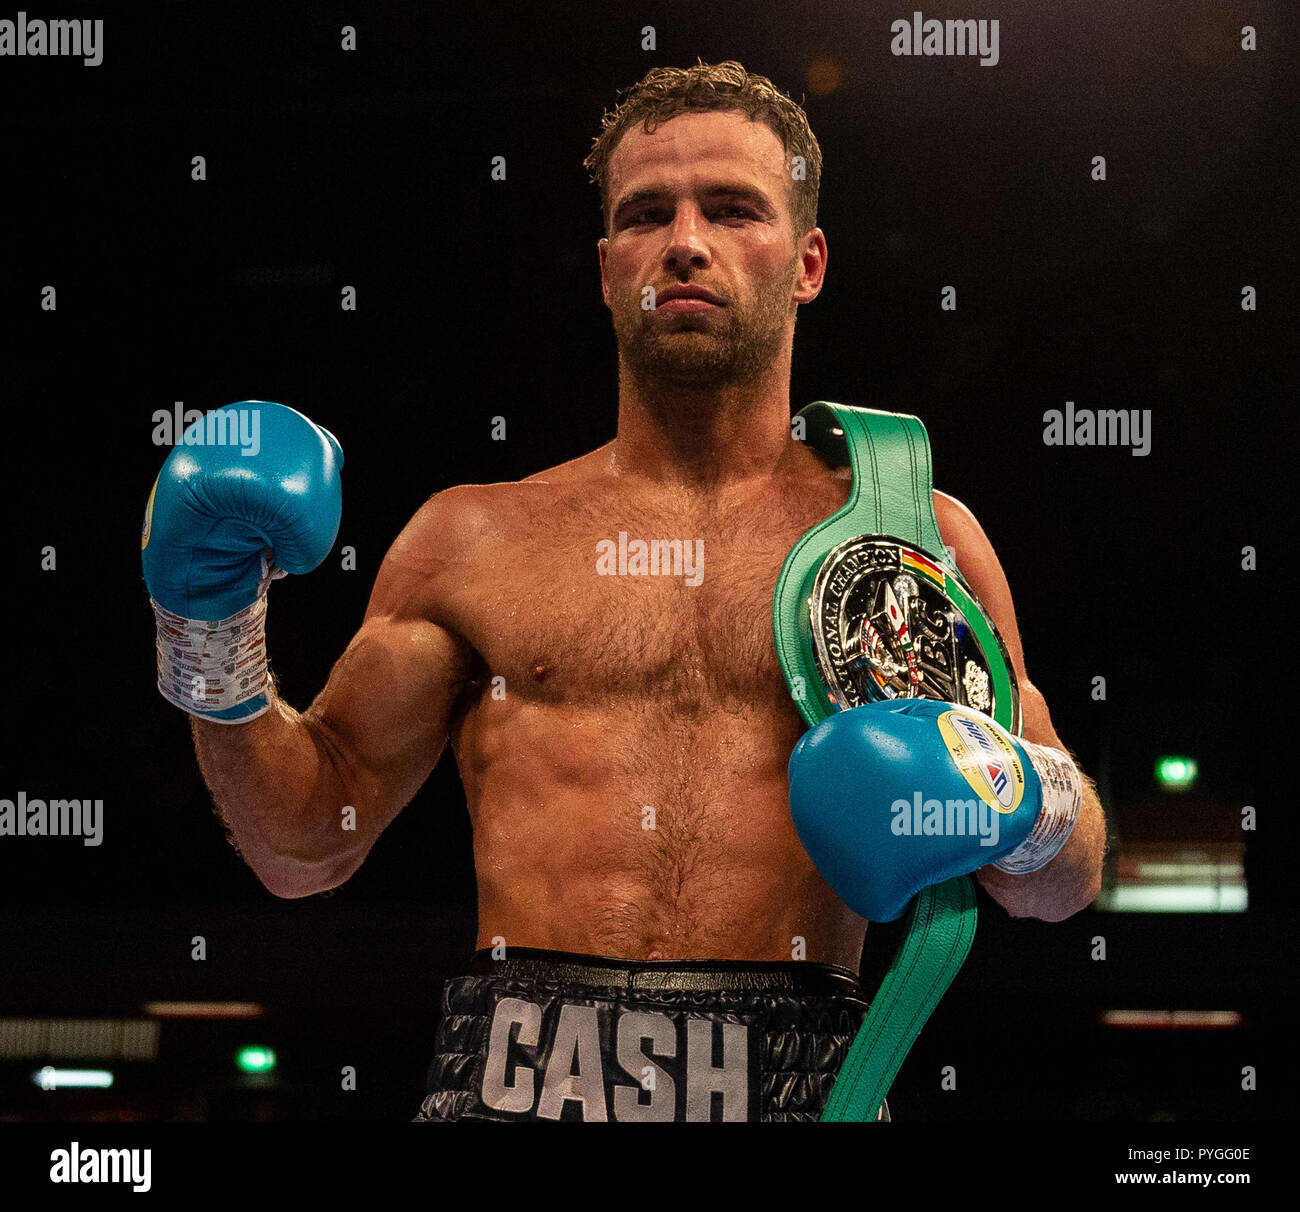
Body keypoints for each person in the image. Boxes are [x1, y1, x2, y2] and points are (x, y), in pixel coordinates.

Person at [141, 61, 1104, 1122]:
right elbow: (301, 845)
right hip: (512, 1082)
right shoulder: (473, 539)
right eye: (648, 214)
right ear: (608, 269)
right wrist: (208, 622)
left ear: (807, 261)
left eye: (733, 209)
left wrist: (1014, 795)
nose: (684, 241)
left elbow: (1063, 880)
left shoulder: (906, 537)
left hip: (799, 1086)